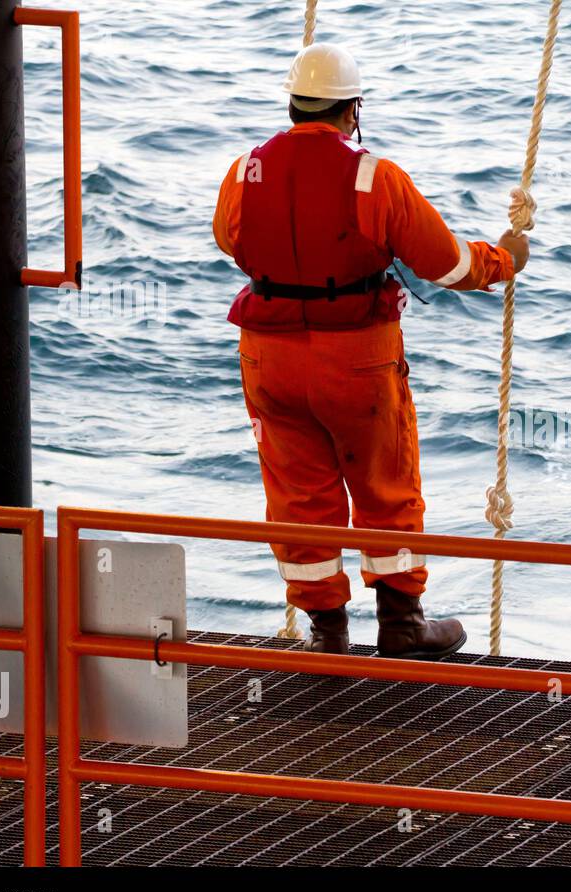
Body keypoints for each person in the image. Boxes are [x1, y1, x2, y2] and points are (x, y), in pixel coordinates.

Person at [213, 42, 530, 660]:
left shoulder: (244, 169)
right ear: (352, 109)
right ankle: (402, 625)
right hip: (356, 356)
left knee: (298, 494)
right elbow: (448, 264)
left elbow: (229, 239)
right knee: (385, 483)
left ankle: (327, 635)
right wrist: (506, 258)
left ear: (294, 104)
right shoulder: (373, 177)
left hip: (268, 359)